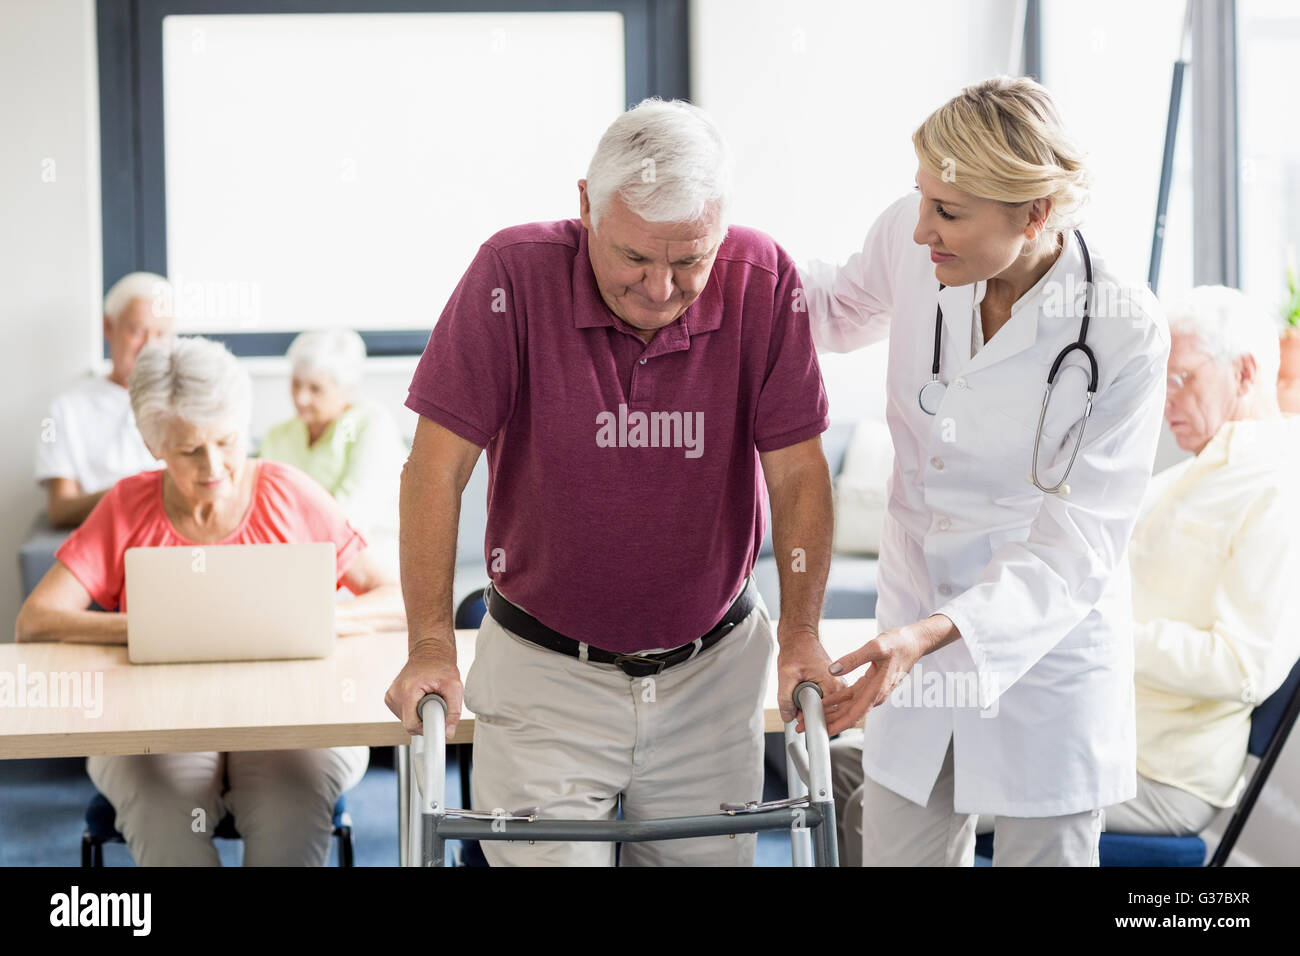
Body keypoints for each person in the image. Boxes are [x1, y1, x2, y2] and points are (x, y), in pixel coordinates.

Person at [384, 97, 837, 866]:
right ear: (586, 204)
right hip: (545, 674)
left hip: (712, 672)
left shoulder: (763, 280)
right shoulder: (511, 275)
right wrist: (430, 643)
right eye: (634, 257)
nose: (661, 288)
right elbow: (436, 467)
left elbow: (796, 474)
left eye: (689, 259)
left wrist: (800, 634)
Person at [802, 76, 1169, 866]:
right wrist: (710, 262)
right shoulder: (915, 229)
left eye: (950, 213)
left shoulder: (1121, 328)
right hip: (915, 616)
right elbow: (829, 306)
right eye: (923, 198)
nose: (922, 230)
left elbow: (1077, 545)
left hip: (1044, 654)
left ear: (1035, 215)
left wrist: (933, 635)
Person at [15, 336, 405, 866]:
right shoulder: (127, 505)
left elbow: (397, 599)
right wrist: (149, 629)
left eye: (227, 441)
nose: (216, 465)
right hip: (156, 721)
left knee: (290, 808)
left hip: (286, 715)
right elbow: (36, 621)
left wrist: (320, 619)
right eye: (190, 450)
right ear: (155, 446)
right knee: (161, 810)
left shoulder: (290, 493)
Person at [1106, 285, 1300, 834]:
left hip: (1160, 775)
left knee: (916, 799)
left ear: (1244, 373)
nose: (1164, 399)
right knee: (878, 775)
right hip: (1102, 740)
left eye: (1182, 377)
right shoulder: (1180, 479)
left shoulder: (1279, 489)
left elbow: (1243, 669)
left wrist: (1106, 635)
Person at [258, 328, 406, 567]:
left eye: (315, 389)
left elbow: (353, 514)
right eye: (296, 384)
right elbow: (264, 510)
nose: (301, 398)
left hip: (366, 558)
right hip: (292, 558)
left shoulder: (372, 423)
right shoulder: (277, 436)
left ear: (346, 390)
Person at [36, 272, 172, 527]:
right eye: (138, 331)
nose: (149, 346)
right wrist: (129, 493)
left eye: (161, 334)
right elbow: (59, 509)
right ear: (108, 327)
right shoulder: (67, 409)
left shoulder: (184, 404)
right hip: (105, 534)